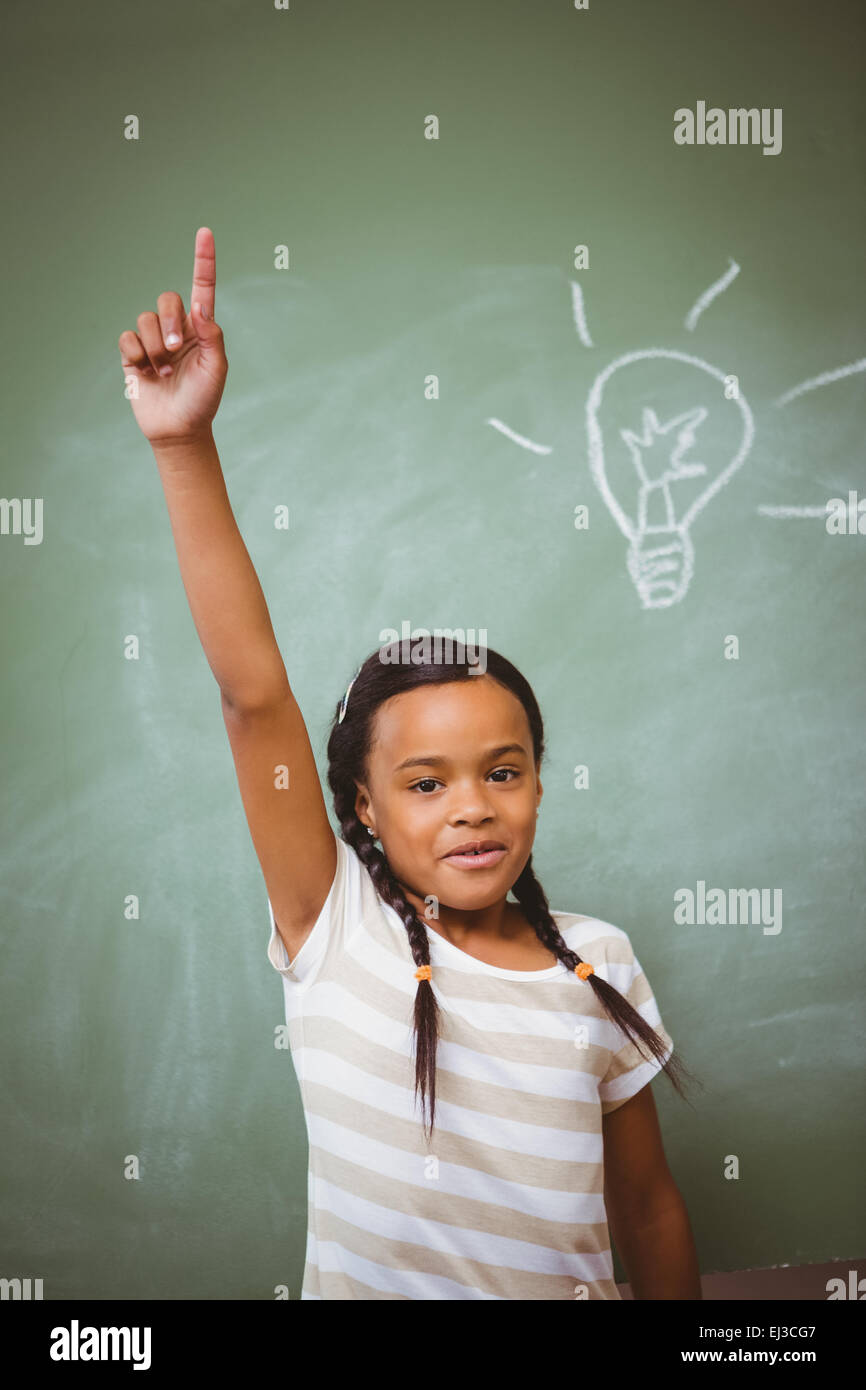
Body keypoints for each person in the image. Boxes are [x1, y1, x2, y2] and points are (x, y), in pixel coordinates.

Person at [118, 226, 703, 1301]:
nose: (472, 808)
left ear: (536, 778)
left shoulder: (597, 963)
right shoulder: (333, 927)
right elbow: (254, 698)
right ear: (365, 810)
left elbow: (650, 1203)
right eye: (425, 784)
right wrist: (179, 447)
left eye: (504, 769)